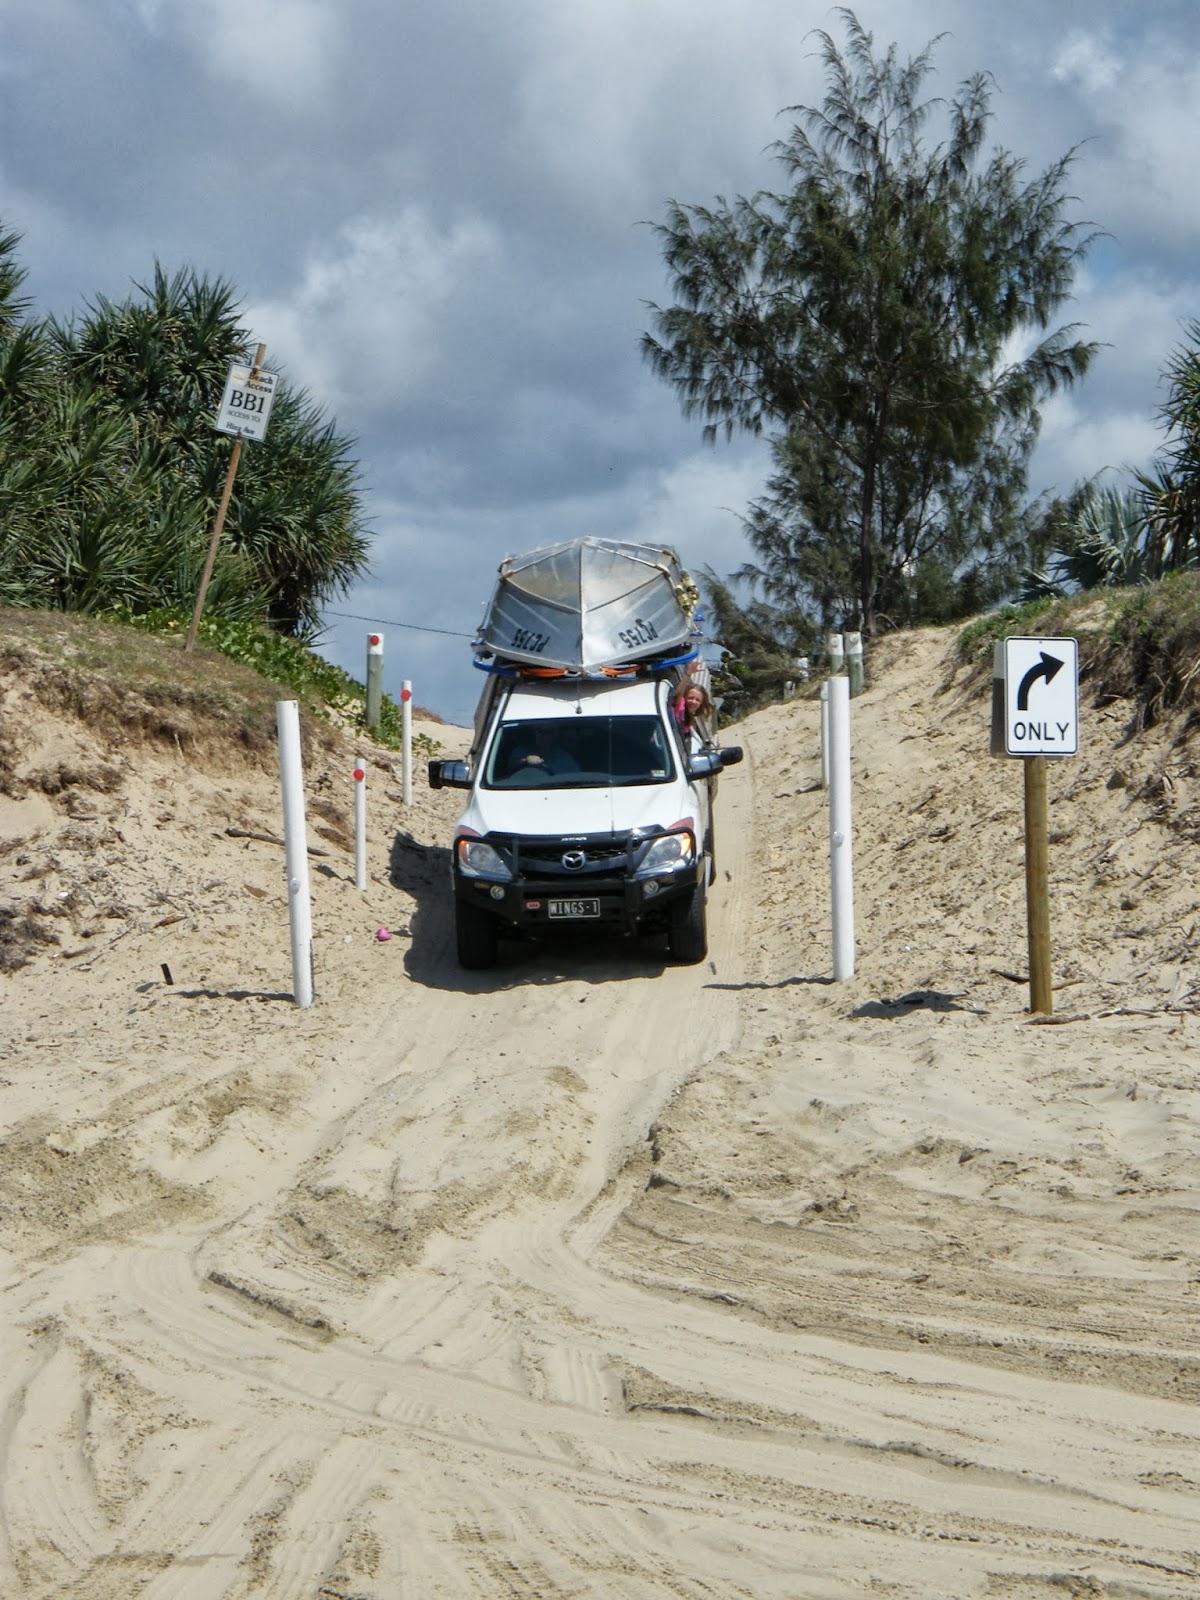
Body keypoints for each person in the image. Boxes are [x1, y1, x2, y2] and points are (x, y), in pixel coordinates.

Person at [671, 677, 713, 746]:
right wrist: (689, 674)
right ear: (685, 697)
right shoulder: (680, 706)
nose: (693, 702)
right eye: (690, 698)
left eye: (697, 700)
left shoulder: (690, 717)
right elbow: (678, 693)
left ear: (701, 703)